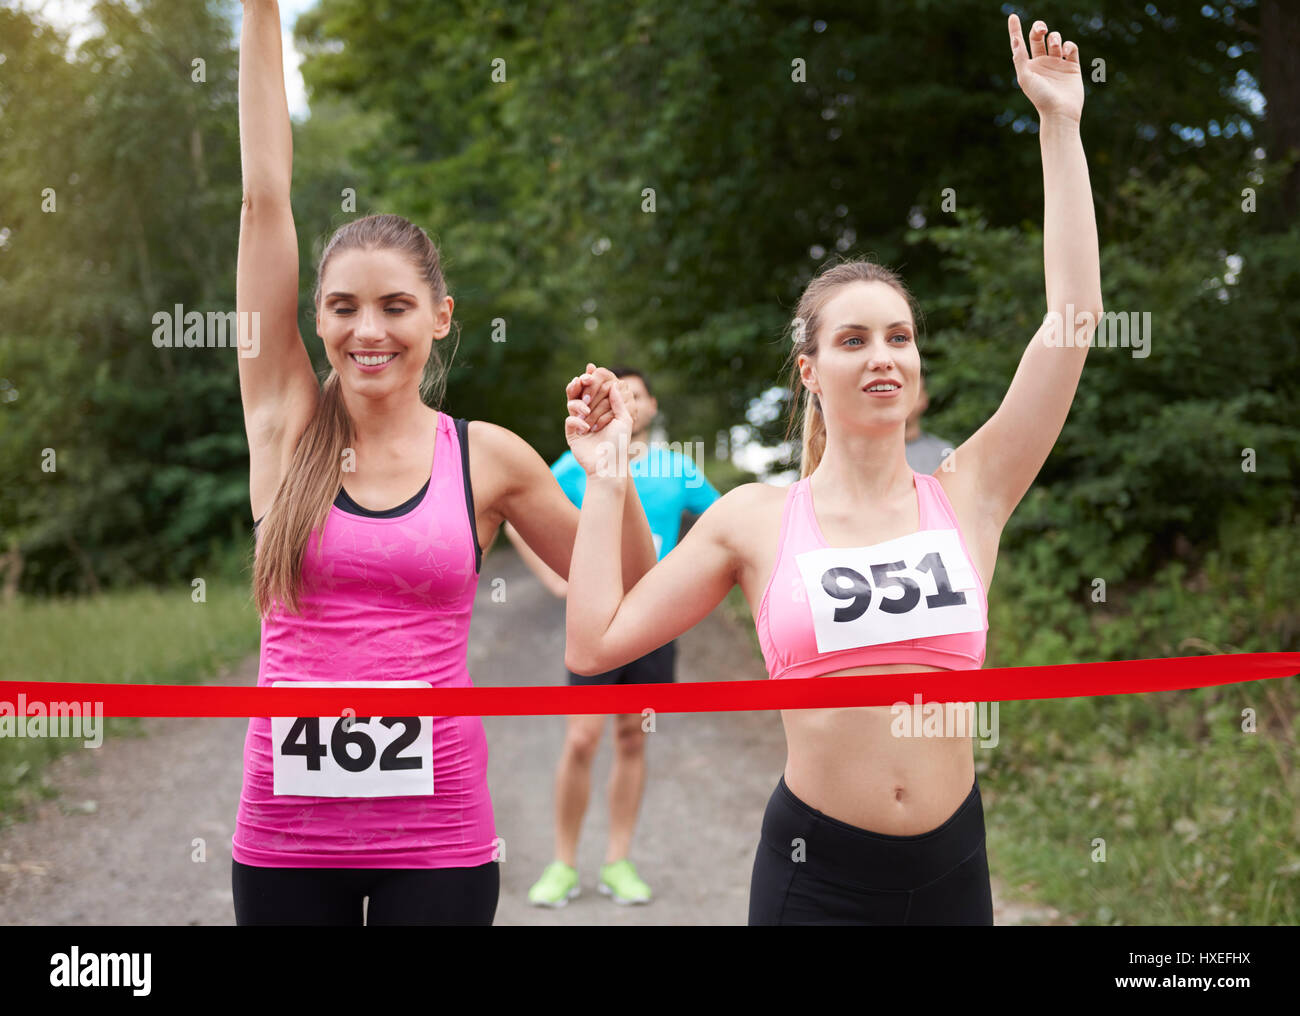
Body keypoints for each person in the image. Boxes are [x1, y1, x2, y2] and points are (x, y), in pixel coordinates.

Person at [561, 15, 1101, 925]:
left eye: (900, 336)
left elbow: (1075, 320)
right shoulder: (754, 519)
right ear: (810, 371)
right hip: (818, 878)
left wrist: (1060, 126)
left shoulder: (972, 488)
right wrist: (607, 476)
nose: (883, 355)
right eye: (854, 339)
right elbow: (594, 646)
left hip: (954, 868)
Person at [230, 0, 656, 926]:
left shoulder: (488, 458)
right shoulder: (284, 424)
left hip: (440, 838)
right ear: (316, 320)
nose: (367, 330)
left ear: (441, 316)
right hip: (287, 838)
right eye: (342, 307)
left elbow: (624, 589)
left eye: (394, 306)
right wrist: (260, 12)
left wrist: (611, 470)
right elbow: (264, 199)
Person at [503, 368, 721, 907]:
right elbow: (516, 518)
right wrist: (556, 578)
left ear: (650, 404)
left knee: (631, 737)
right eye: (618, 391)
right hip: (596, 621)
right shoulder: (583, 463)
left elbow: (722, 526)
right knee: (582, 738)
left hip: (654, 624)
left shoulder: (677, 467)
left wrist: (685, 585)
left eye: (637, 393)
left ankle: (618, 861)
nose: (628, 399)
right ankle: (562, 864)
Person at [904, 376, 954, 475]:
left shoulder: (945, 452)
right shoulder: (867, 453)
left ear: (924, 400)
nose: (905, 403)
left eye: (912, 396)